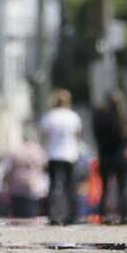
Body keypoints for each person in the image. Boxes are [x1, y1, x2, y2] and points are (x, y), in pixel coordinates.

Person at [39, 88, 83, 224]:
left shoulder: (49, 116)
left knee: (53, 186)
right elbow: (77, 135)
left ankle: (53, 215)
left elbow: (43, 136)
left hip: (53, 154)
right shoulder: (73, 116)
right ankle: (72, 215)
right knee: (70, 186)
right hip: (70, 154)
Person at [92, 90, 127, 223]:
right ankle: (124, 215)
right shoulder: (124, 118)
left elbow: (96, 134)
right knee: (122, 188)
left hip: (105, 156)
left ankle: (103, 215)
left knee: (104, 188)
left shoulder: (101, 117)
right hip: (121, 156)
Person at [4, 132, 48, 219]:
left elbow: (7, 169)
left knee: (17, 214)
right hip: (34, 188)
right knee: (32, 214)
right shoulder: (38, 150)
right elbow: (44, 167)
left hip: (16, 187)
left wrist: (5, 182)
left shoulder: (15, 150)